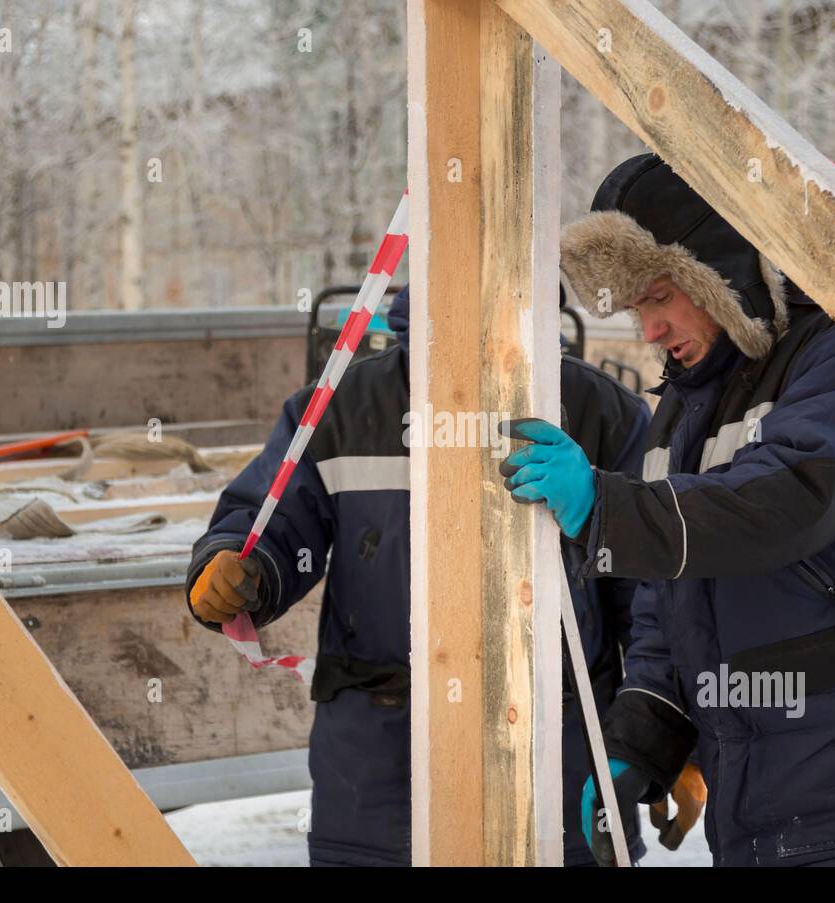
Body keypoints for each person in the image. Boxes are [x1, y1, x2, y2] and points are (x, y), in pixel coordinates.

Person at [500, 154, 835, 867]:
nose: (648, 329)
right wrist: (643, 735)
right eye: (636, 307)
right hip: (758, 824)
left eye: (660, 296)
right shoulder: (679, 409)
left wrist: (606, 509)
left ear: (721, 267)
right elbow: (666, 599)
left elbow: (790, 501)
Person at [187, 284, 652, 866]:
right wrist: (235, 566)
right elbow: (270, 523)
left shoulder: (597, 411)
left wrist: (663, 729)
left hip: (558, 771)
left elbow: (652, 596)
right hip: (377, 781)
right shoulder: (343, 407)